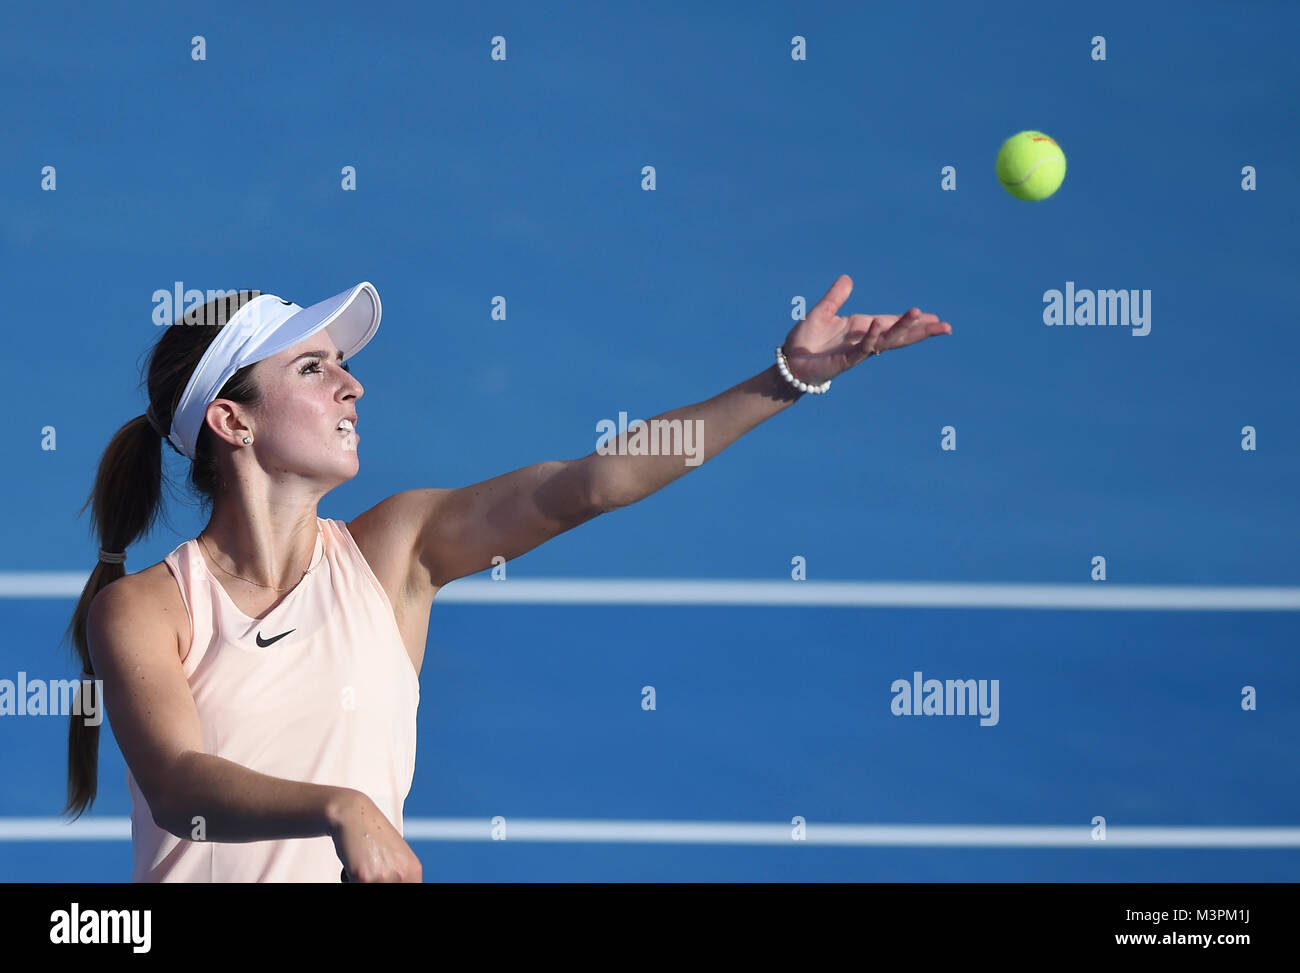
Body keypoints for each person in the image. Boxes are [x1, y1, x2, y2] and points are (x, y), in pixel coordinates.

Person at [62, 276, 951, 882]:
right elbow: (180, 788)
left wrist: (788, 378)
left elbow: (597, 482)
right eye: (313, 366)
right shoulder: (146, 608)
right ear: (231, 419)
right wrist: (342, 808)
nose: (352, 385)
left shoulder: (398, 551)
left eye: (341, 362)